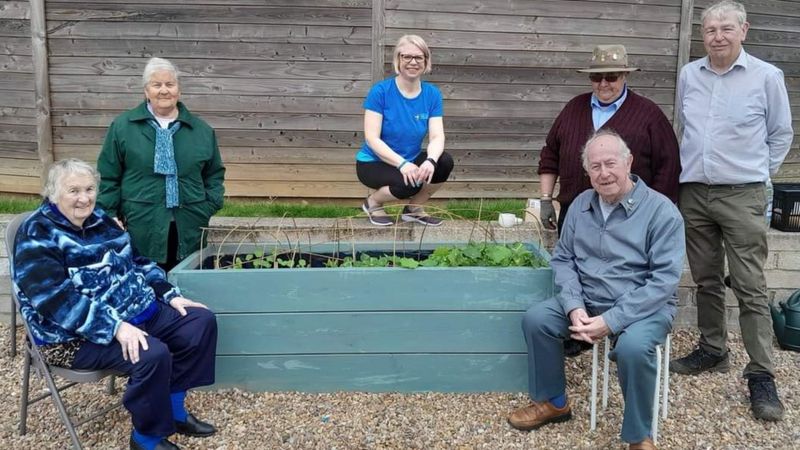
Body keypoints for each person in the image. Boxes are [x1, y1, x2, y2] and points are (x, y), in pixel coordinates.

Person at [13, 159, 218, 450]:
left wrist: (169, 294)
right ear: (52, 193)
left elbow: (137, 262)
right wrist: (114, 327)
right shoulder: (37, 234)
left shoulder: (102, 221)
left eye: (89, 189)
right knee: (151, 353)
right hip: (72, 336)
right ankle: (145, 439)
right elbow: (54, 301)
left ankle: (174, 411)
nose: (83, 198)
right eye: (73, 190)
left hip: (133, 311)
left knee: (199, 322)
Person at [508, 131, 685, 450]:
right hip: (588, 299)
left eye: (610, 163)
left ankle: (638, 436)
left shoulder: (662, 212)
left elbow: (664, 281)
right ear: (587, 172)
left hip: (644, 306)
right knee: (538, 320)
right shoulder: (580, 205)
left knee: (632, 349)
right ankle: (554, 402)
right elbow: (563, 259)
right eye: (595, 166)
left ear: (629, 163)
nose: (603, 173)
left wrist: (612, 320)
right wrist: (574, 305)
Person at [669, 0, 793, 422]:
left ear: (744, 30)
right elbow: (683, 127)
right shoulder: (689, 75)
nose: (717, 36)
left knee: (750, 286)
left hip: (743, 195)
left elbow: (780, 134)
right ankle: (713, 349)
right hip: (695, 193)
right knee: (705, 279)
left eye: (726, 28)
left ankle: (761, 375)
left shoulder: (766, 77)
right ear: (702, 35)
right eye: (710, 30)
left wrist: (756, 176)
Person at [97, 57, 226, 271]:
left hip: (190, 222)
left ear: (179, 90)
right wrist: (109, 214)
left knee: (186, 281)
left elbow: (214, 174)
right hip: (141, 222)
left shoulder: (201, 131)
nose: (164, 90)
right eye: (157, 85)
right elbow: (109, 174)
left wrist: (207, 207)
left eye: (170, 84)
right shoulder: (123, 127)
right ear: (146, 91)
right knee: (143, 282)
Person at [537, 44, 680, 233]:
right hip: (574, 214)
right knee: (569, 262)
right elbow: (550, 155)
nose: (603, 84)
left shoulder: (649, 115)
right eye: (596, 77)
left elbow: (668, 167)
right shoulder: (574, 108)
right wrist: (546, 199)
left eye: (611, 77)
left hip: (628, 217)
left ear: (624, 76)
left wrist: (652, 212)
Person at [356, 34, 454, 227]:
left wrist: (430, 161)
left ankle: (413, 210)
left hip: (410, 158)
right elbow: (372, 139)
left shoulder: (432, 94)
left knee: (444, 162)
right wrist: (403, 165)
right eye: (406, 57)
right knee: (409, 183)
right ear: (398, 60)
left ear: (426, 61)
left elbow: (437, 136)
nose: (412, 62)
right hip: (374, 162)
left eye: (418, 57)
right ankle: (373, 203)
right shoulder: (381, 92)